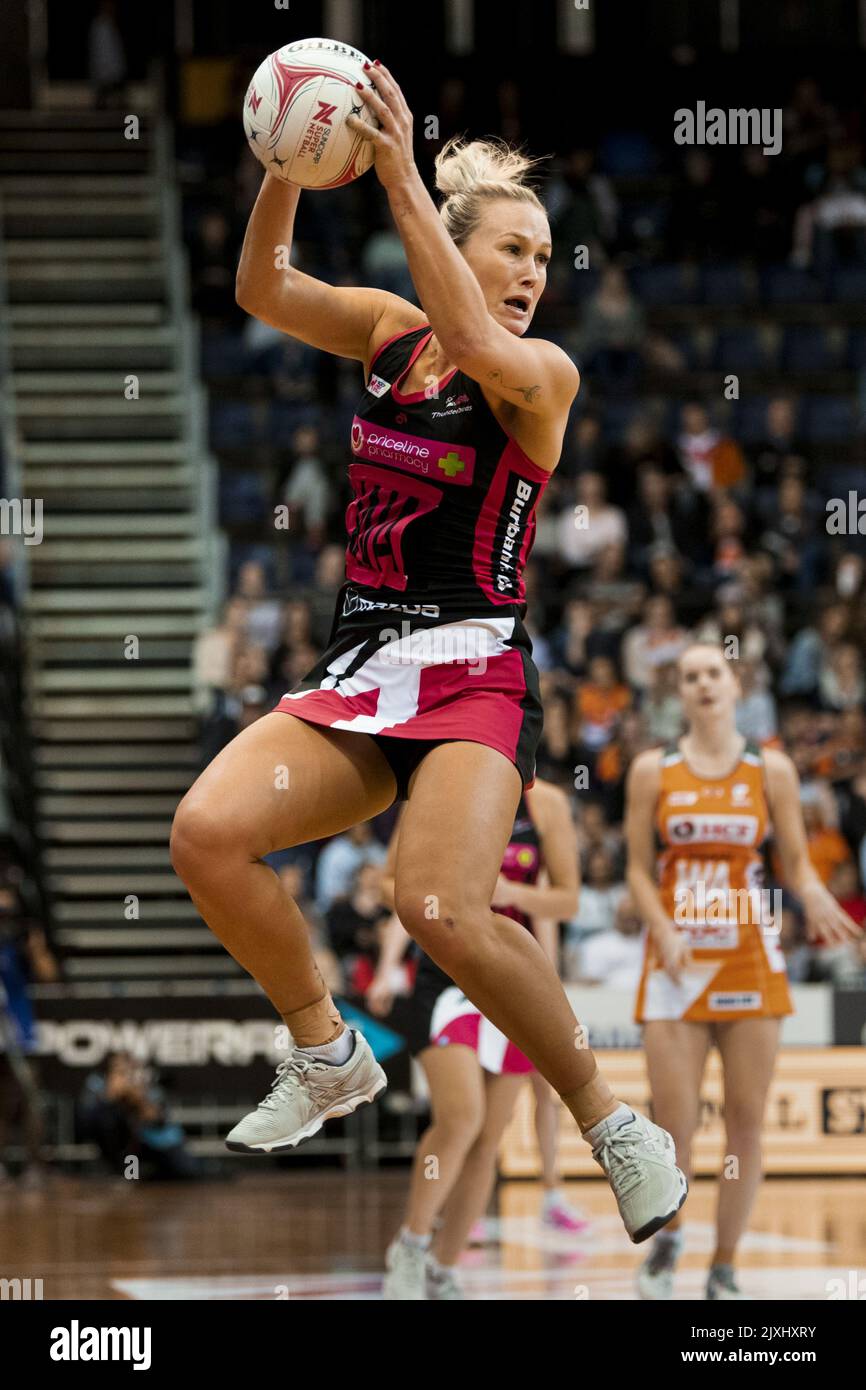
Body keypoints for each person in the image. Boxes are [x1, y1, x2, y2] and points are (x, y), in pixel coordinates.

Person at [170, 59, 686, 1242]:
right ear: (456, 245)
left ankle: (615, 1124)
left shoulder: (539, 375)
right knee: (205, 836)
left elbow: (469, 328)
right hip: (362, 665)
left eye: (543, 260)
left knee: (437, 904)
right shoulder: (394, 333)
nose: (528, 277)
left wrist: (396, 167)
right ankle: (325, 1052)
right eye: (512, 251)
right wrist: (284, 168)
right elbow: (259, 286)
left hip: (475, 670)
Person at [624, 641, 862, 1300]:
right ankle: (667, 1248)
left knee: (746, 1123)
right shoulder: (652, 769)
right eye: (691, 675)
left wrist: (812, 894)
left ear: (735, 686)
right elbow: (638, 871)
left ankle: (723, 1265)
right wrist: (663, 926)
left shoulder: (772, 769)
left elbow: (797, 858)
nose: (702, 683)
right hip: (674, 959)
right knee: (674, 1126)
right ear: (680, 693)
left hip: (750, 955)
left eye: (713, 673)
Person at [369, 779, 583, 1298]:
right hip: (447, 975)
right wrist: (393, 957)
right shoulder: (438, 786)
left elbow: (569, 901)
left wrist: (513, 894)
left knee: (490, 1137)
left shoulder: (547, 803)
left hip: (514, 979)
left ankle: (443, 1268)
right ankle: (412, 1244)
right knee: (460, 1117)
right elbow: (390, 881)